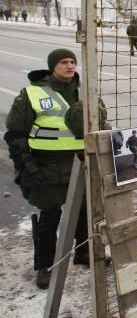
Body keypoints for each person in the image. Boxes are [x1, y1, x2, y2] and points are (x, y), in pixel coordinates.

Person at [4, 49, 92, 288]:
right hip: (47, 165)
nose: (70, 66)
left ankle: (84, 253)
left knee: (84, 211)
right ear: (53, 66)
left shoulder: (85, 91)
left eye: (73, 62)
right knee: (50, 217)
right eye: (64, 62)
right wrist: (27, 167)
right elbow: (15, 134)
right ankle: (45, 266)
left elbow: (100, 122)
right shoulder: (32, 93)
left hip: (80, 162)